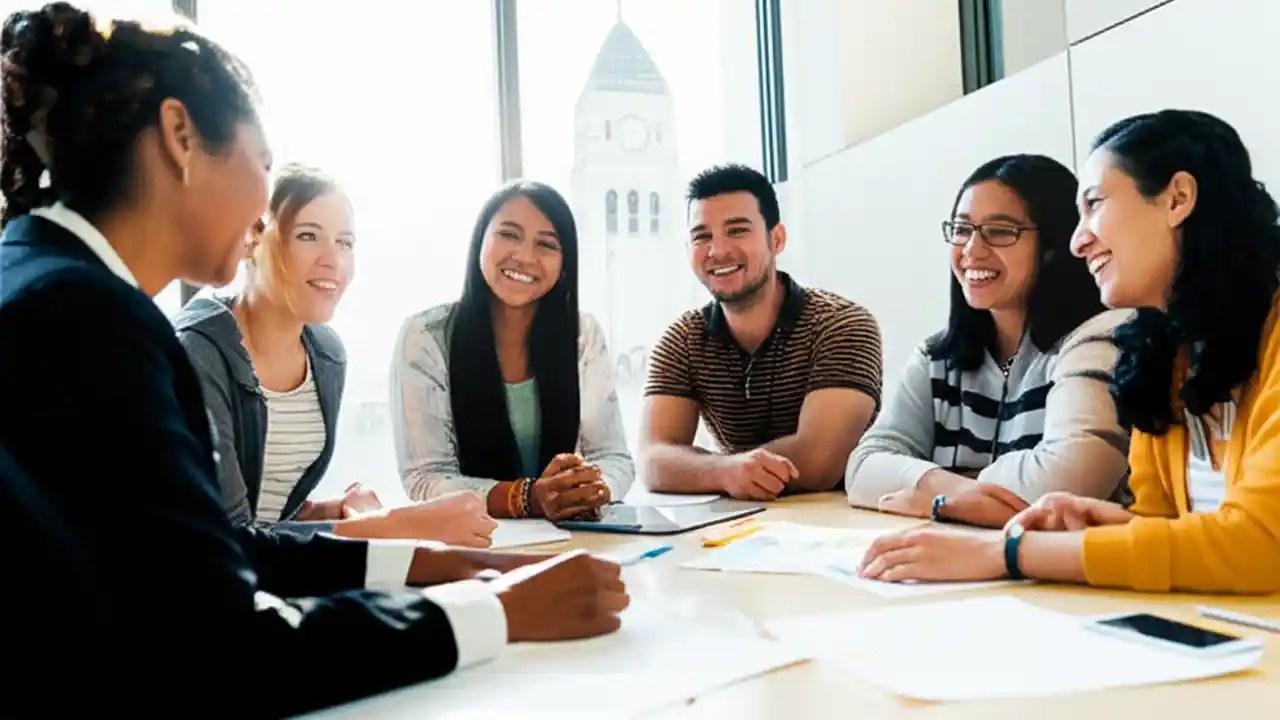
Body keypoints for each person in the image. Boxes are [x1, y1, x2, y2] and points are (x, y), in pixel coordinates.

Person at [0, 4, 627, 714]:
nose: (266, 212)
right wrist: (498, 612)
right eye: (263, 164)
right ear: (180, 135)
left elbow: (213, 551)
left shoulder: (45, 282)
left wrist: (430, 563)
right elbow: (224, 647)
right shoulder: (81, 319)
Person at [858, 109, 1280, 594]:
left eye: (1095, 204)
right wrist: (1112, 525)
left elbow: (1260, 543)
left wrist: (1009, 552)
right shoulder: (1164, 350)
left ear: (1177, 199)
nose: (1080, 241)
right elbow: (1169, 529)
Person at [175, 164, 495, 546]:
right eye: (308, 235)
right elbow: (228, 539)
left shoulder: (326, 355)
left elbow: (267, 512)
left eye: (345, 242)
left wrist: (325, 512)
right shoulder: (197, 352)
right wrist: (397, 525)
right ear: (252, 238)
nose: (333, 260)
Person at [845, 155, 1132, 528]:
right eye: (962, 230)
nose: (971, 251)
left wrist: (938, 496)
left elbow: (1068, 478)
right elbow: (864, 465)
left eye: (999, 231)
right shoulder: (937, 357)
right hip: (955, 567)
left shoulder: (1100, 340)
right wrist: (953, 491)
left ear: (1052, 246)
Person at [392, 180, 633, 520]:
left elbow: (613, 457)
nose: (524, 256)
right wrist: (526, 497)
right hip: (472, 541)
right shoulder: (425, 336)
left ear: (565, 264)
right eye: (509, 234)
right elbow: (425, 478)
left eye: (546, 244)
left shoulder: (583, 334)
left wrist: (591, 488)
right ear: (480, 241)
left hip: (570, 537)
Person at [640, 164, 883, 500]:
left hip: (838, 520)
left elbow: (818, 462)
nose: (718, 250)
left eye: (737, 230)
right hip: (735, 524)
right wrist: (727, 471)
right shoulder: (682, 338)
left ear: (777, 239)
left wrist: (715, 470)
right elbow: (654, 459)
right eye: (702, 236)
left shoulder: (841, 324)